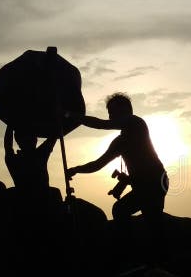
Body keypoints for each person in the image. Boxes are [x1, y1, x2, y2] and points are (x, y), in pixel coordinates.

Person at [66, 93, 168, 252]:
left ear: (127, 110)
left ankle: (131, 251)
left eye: (113, 112)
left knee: (127, 212)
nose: (111, 116)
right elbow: (98, 164)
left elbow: (101, 125)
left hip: (155, 182)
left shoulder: (136, 122)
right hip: (143, 184)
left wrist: (73, 116)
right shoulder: (119, 142)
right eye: (110, 113)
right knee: (132, 213)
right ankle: (143, 250)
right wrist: (76, 169)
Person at [4, 126, 57, 193]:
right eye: (32, 137)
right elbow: (54, 135)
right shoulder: (40, 155)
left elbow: (7, 145)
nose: (35, 139)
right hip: (41, 199)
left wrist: (10, 125)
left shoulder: (13, 159)